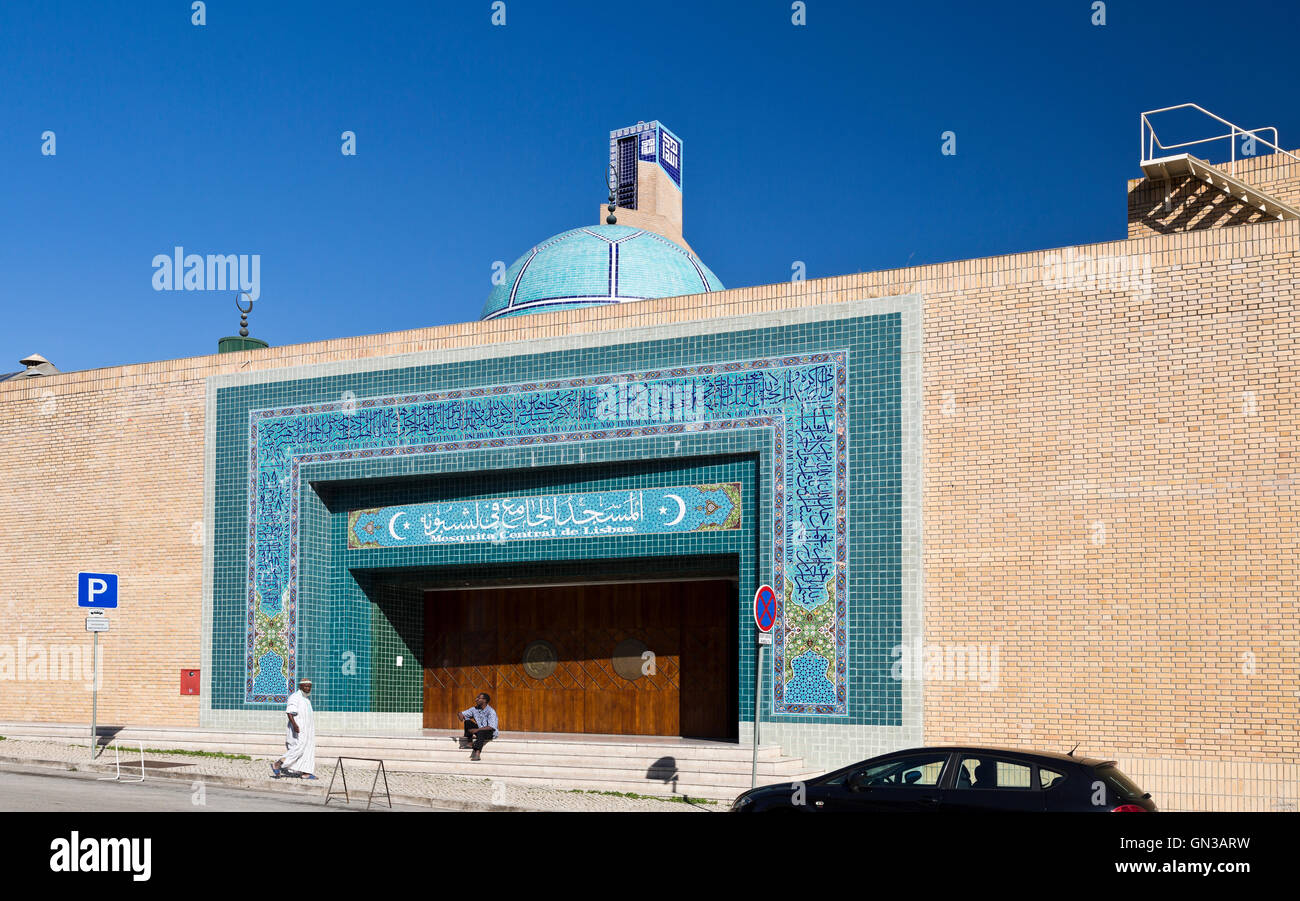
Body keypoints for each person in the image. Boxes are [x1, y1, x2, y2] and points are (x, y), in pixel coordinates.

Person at [272, 677, 317, 779]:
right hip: (298, 729)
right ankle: (278, 764)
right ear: (300, 686)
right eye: (305, 686)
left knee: (307, 749)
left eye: (309, 687)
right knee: (298, 748)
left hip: (307, 730)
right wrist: (295, 725)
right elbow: (290, 712)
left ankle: (306, 772)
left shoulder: (306, 699)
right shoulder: (295, 697)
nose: (308, 688)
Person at [455, 692, 498, 761]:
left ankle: (477, 753)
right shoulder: (474, 709)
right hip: (480, 729)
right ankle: (469, 743)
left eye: (478, 698)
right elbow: (462, 714)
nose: (476, 699)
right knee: (467, 722)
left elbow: (491, 727)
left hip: (490, 732)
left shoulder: (491, 711)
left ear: (485, 700)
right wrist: (460, 714)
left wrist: (477, 730)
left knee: (481, 732)